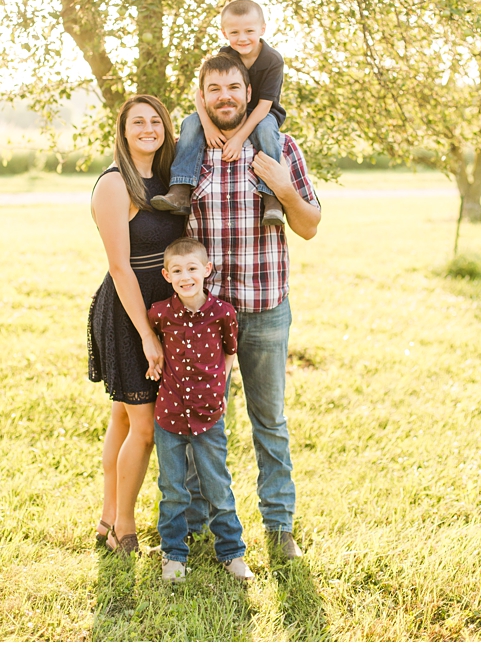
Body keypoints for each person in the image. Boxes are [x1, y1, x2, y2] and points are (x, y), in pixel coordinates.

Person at [180, 50, 321, 565]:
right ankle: (194, 525)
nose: (224, 97)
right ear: (202, 96)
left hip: (264, 308)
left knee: (269, 421)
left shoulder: (279, 146)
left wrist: (282, 187)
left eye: (232, 88)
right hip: (204, 315)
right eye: (213, 89)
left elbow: (308, 225)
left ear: (248, 93)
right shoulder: (188, 155)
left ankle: (279, 526)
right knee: (199, 421)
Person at [86, 95, 185, 555]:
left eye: (156, 121)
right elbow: (120, 267)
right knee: (142, 426)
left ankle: (107, 517)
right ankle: (125, 528)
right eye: (137, 122)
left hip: (163, 303)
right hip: (129, 310)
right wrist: (146, 335)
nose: (148, 128)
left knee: (123, 417)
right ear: (123, 131)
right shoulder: (113, 184)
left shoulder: (167, 178)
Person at [146, 237, 251, 584]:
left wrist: (219, 390)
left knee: (217, 486)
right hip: (170, 415)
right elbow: (156, 346)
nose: (185, 276)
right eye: (177, 270)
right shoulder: (160, 313)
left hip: (209, 416)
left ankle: (232, 553)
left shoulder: (223, 313)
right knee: (173, 488)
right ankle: (174, 554)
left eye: (192, 268)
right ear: (166, 274)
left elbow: (230, 353)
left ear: (206, 270)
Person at [154, 0, 290, 227]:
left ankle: (271, 198)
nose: (242, 38)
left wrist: (238, 139)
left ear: (262, 29)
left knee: (266, 131)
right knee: (190, 123)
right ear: (224, 33)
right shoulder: (225, 55)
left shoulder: (272, 60)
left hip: (261, 113)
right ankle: (180, 190)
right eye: (234, 32)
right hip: (227, 110)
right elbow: (200, 95)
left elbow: (264, 105)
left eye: (249, 31)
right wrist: (206, 124)